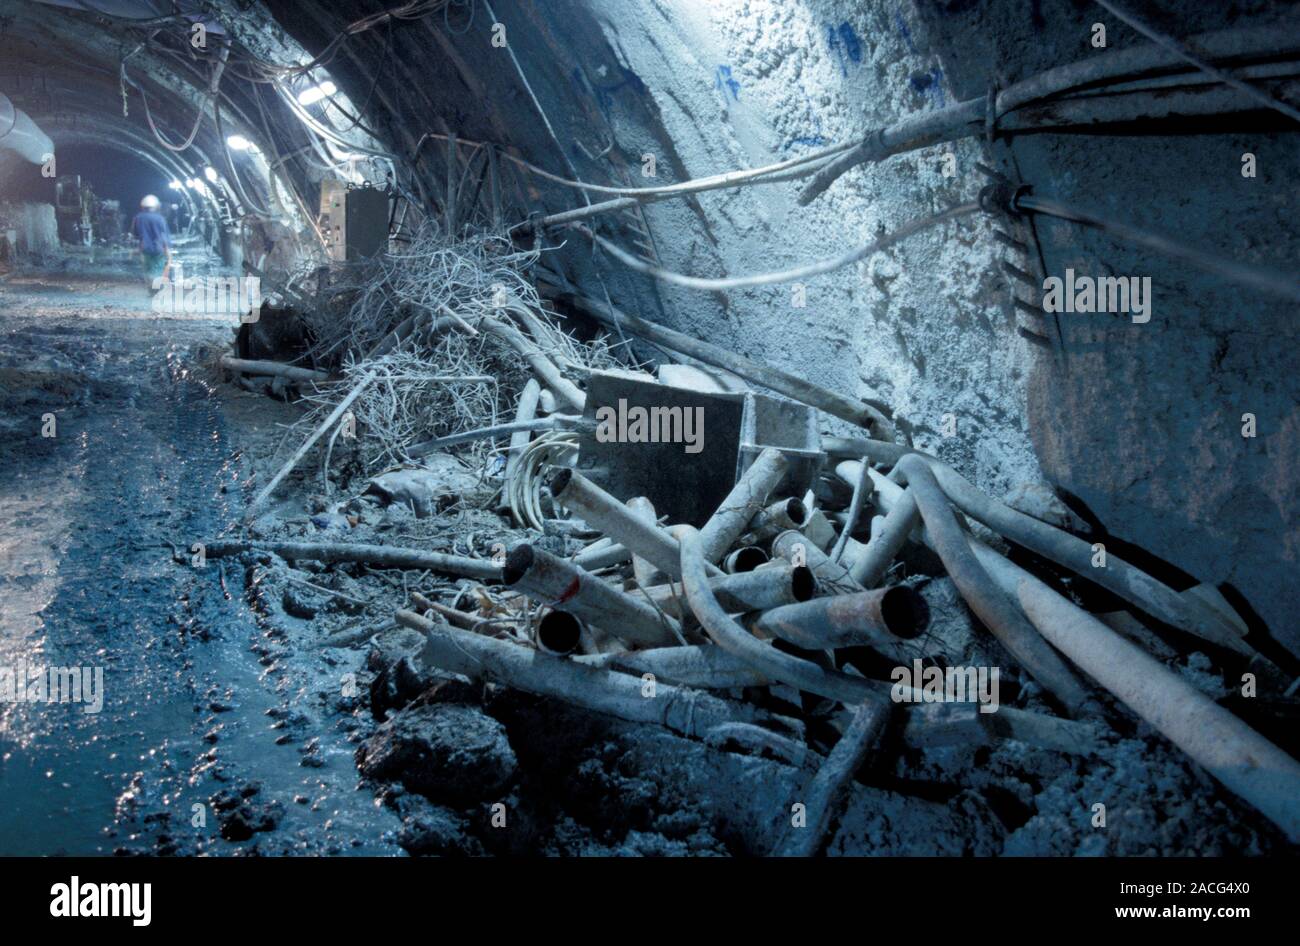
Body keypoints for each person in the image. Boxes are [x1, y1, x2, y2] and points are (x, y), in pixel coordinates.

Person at [131, 194, 172, 290]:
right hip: (159, 248)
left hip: (145, 247)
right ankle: (156, 287)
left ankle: (150, 286)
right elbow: (164, 235)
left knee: (147, 267)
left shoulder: (138, 218)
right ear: (156, 206)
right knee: (158, 267)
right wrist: (167, 249)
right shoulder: (160, 218)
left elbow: (135, 233)